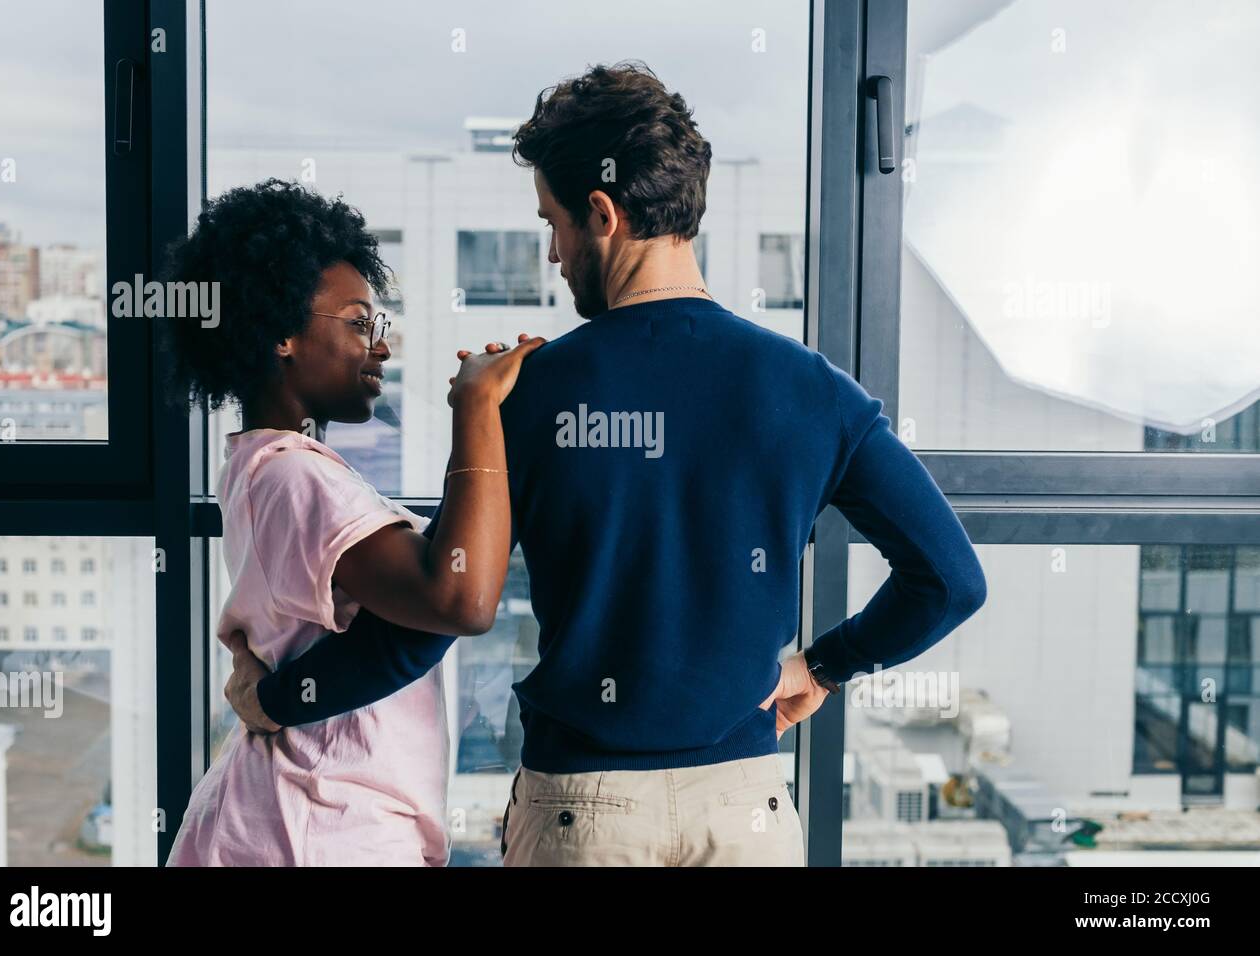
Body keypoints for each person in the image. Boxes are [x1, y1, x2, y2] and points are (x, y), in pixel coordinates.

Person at [225, 62, 988, 866]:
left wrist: (277, 698)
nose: (554, 253)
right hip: (745, 815)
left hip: (582, 814)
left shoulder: (523, 392)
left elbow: (430, 624)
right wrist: (828, 665)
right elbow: (948, 580)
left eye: (553, 223)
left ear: (603, 212)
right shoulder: (811, 388)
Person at [160, 178, 544, 865]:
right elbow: (453, 596)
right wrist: (476, 413)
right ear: (279, 332)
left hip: (298, 815)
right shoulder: (294, 475)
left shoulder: (266, 467)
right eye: (359, 322)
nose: (381, 348)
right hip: (311, 826)